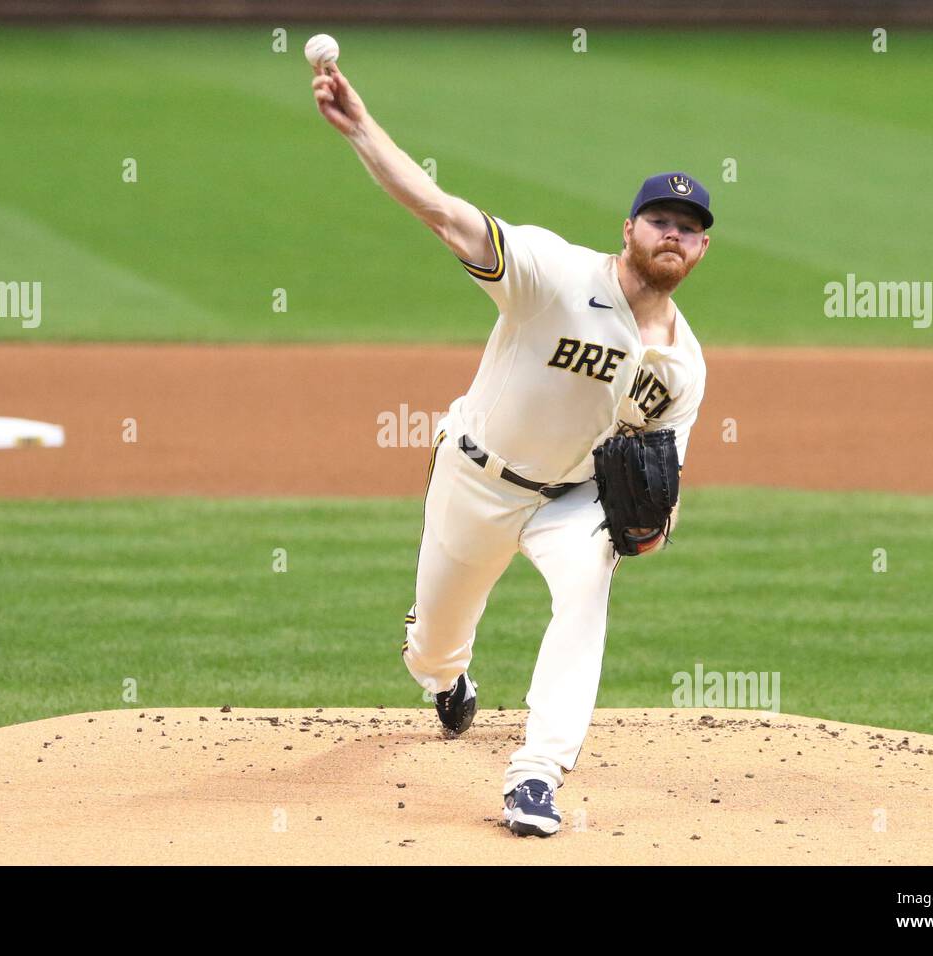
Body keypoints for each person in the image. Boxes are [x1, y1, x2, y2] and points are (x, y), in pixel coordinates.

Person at [312, 62, 711, 837]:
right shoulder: (552, 274)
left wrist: (653, 529)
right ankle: (445, 678)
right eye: (660, 219)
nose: (675, 233)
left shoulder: (685, 369)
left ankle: (536, 774)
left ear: (699, 250)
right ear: (628, 229)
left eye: (690, 228)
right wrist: (362, 127)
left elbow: (666, 479)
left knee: (589, 588)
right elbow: (442, 213)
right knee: (433, 645)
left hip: (572, 500)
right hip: (475, 478)